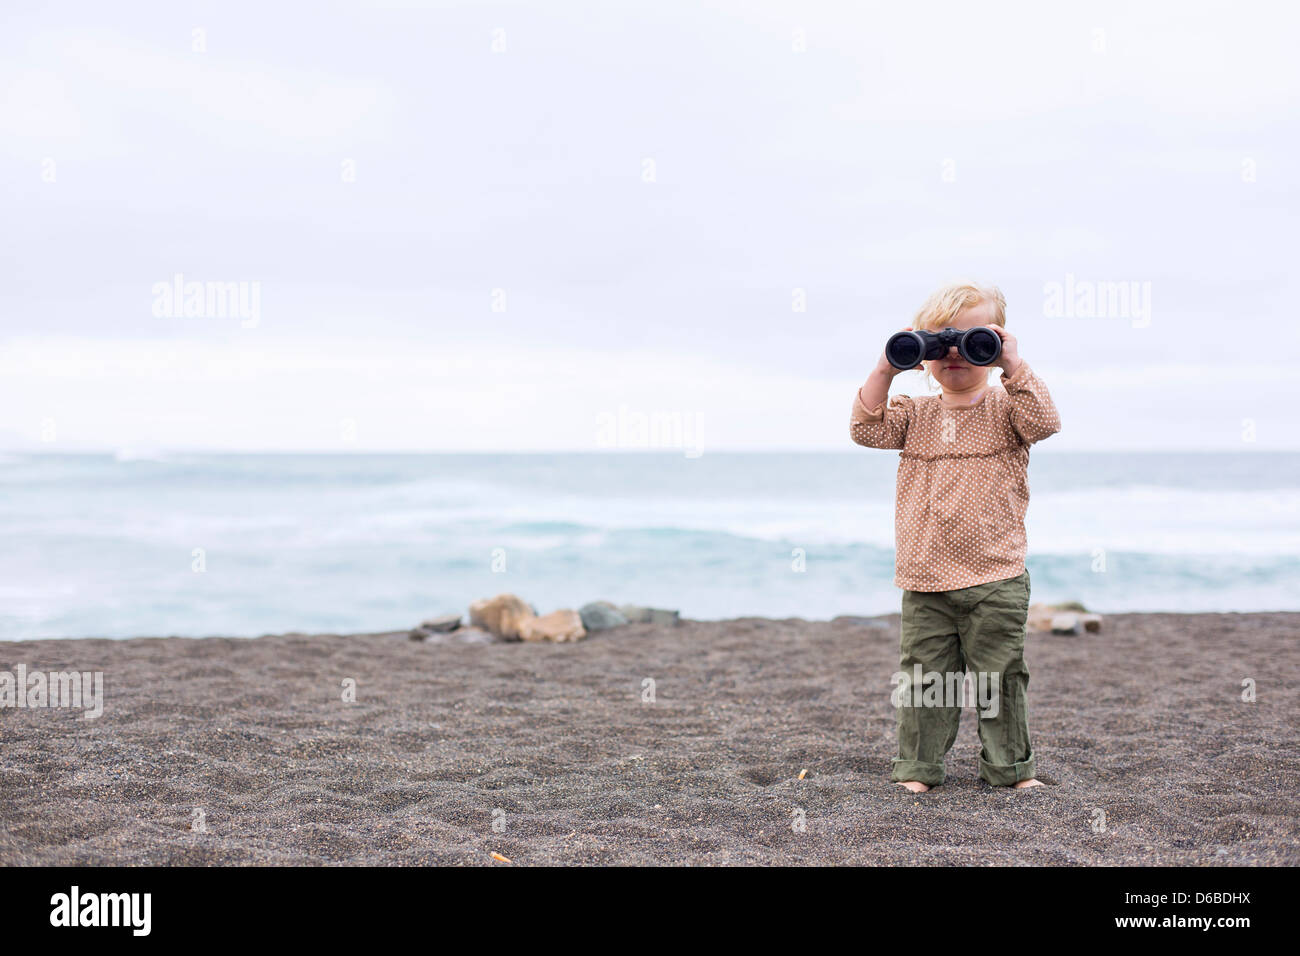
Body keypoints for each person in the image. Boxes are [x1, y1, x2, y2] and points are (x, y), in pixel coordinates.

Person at [850, 282, 1061, 792]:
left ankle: (1011, 769)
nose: (953, 353)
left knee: (1001, 677)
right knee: (923, 681)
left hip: (996, 575)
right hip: (925, 580)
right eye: (938, 343)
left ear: (994, 345)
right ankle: (919, 769)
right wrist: (885, 367)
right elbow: (864, 428)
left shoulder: (1008, 408)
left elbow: (1046, 420)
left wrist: (1014, 367)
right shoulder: (912, 414)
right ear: (921, 355)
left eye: (972, 340)